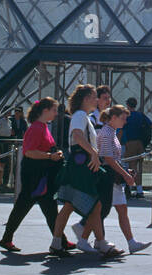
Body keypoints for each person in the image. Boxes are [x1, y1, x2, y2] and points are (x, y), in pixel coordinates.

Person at [51, 85, 122, 258]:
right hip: (82, 164)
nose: (96, 100)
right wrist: (93, 153)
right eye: (93, 97)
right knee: (93, 203)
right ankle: (100, 243)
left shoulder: (82, 116)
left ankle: (59, 242)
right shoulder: (81, 116)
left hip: (79, 162)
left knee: (74, 204)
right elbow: (77, 135)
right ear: (85, 99)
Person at [0, 97, 67, 253]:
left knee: (45, 207)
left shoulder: (41, 126)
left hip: (39, 175)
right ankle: (7, 238)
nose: (56, 113)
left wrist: (55, 153)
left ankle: (60, 240)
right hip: (36, 176)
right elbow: (29, 152)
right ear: (45, 111)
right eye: (54, 110)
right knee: (30, 206)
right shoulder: (37, 128)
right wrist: (51, 156)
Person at [94, 104, 148, 251]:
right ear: (113, 118)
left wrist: (125, 171)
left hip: (112, 176)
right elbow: (109, 159)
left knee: (113, 209)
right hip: (109, 177)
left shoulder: (110, 132)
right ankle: (88, 237)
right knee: (102, 211)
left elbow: (111, 158)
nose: (125, 122)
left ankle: (127, 241)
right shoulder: (107, 133)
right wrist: (125, 174)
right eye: (123, 119)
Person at [121, 97, 152, 198]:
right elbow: (151, 125)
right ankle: (138, 189)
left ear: (128, 105)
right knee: (138, 167)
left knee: (131, 167)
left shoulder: (127, 116)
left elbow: (121, 129)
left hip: (130, 143)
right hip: (140, 143)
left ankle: (132, 189)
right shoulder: (140, 115)